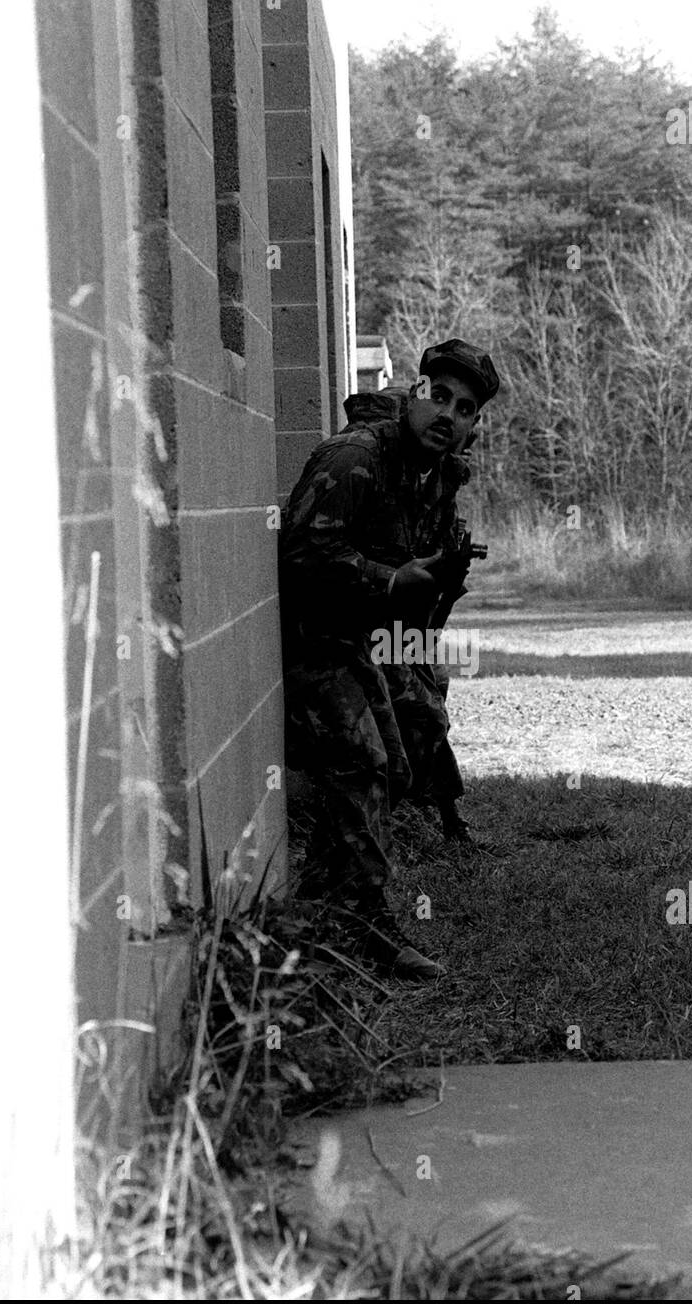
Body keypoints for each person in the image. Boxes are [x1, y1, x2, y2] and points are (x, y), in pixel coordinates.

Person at [280, 338, 500, 980]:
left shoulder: (435, 473)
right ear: (414, 390)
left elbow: (423, 569)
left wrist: (437, 580)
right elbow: (300, 558)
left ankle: (324, 897)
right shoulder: (356, 459)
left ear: (472, 424)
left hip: (373, 636)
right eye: (438, 397)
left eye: (463, 409)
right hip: (317, 639)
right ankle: (363, 925)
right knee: (367, 760)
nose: (447, 415)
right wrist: (391, 581)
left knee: (413, 744)